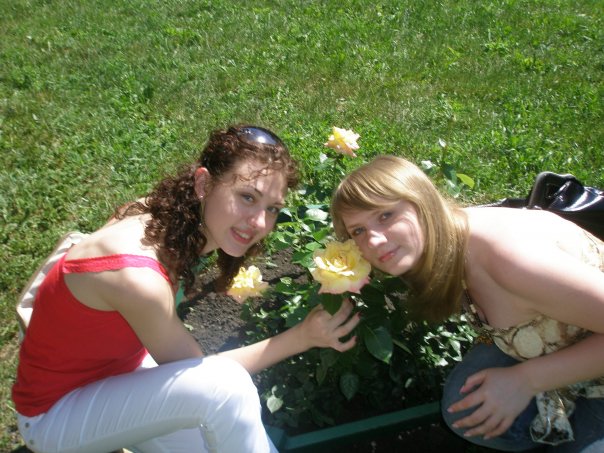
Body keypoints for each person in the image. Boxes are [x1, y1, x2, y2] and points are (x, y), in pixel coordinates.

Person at [12, 125, 360, 453]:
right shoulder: (139, 279)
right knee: (229, 391)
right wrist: (303, 336)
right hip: (54, 416)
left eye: (272, 208)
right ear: (203, 184)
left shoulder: (157, 217)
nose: (259, 222)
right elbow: (208, 379)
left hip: (118, 374)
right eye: (246, 197)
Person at [330, 155, 604, 452]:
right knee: (466, 407)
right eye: (358, 231)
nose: (374, 242)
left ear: (422, 203)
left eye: (385, 215)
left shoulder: (510, 261)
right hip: (574, 336)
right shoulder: (448, 238)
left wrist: (526, 380)